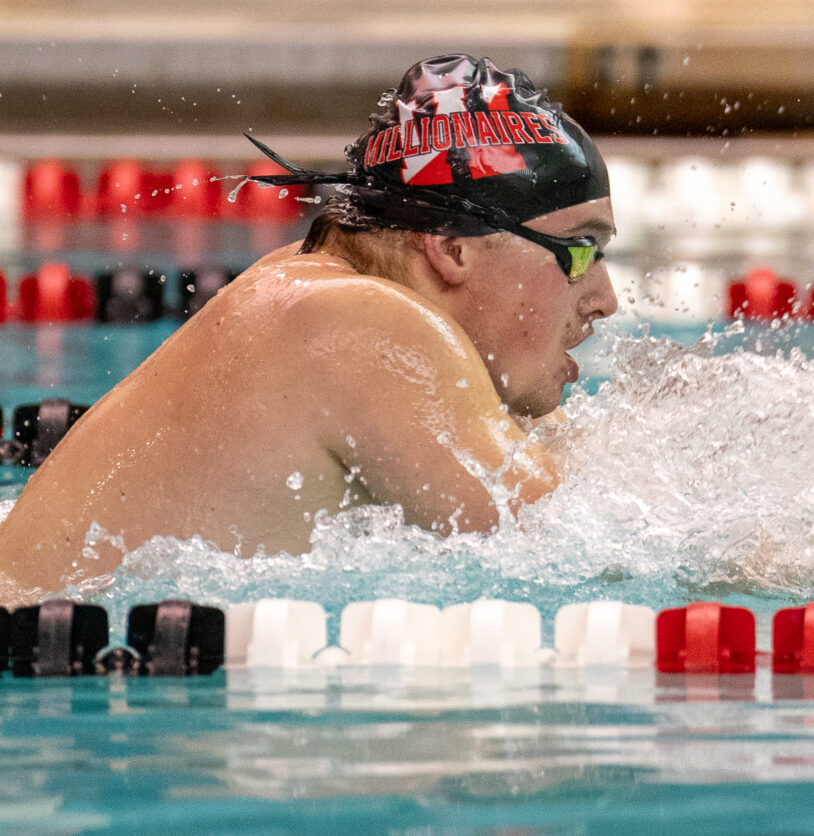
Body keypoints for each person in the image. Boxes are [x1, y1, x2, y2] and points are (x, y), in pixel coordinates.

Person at [0, 54, 618, 597]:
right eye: (582, 250)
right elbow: (591, 548)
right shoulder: (369, 328)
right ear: (452, 246)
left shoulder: (312, 285)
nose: (604, 298)